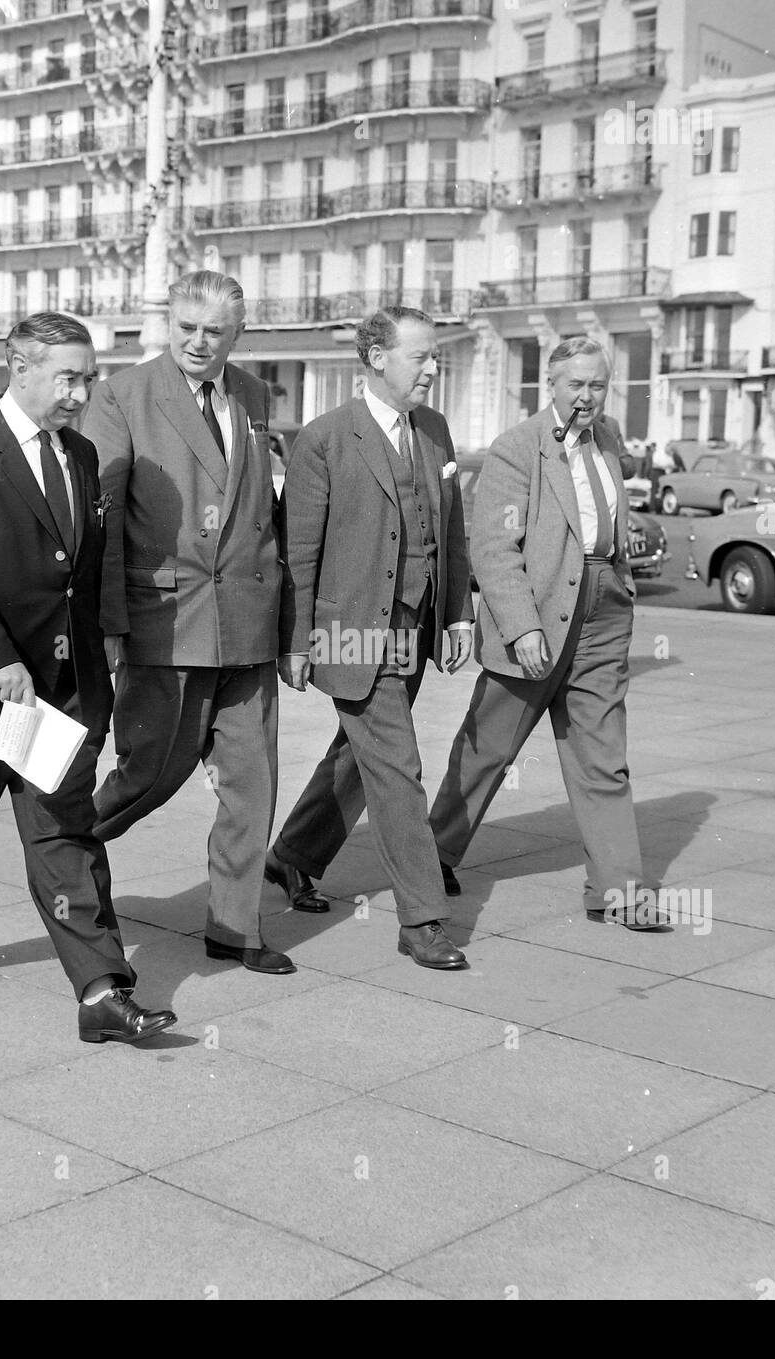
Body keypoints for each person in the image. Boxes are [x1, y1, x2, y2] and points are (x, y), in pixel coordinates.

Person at [0, 312, 176, 1045]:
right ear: (20, 365)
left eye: (88, 377)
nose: (82, 393)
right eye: (68, 377)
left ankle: (102, 991)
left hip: (61, 689)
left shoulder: (79, 454)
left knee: (65, 834)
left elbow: (78, 573)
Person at [81, 270, 292, 974]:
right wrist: (109, 621)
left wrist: (291, 629)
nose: (200, 344)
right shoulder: (122, 396)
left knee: (251, 781)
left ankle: (236, 927)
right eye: (188, 328)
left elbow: (267, 517)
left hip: (249, 623)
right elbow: (101, 519)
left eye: (216, 332)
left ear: (238, 334)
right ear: (169, 324)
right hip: (166, 623)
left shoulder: (256, 396)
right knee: (151, 775)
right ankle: (65, 852)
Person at [429, 335, 663, 929]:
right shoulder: (516, 449)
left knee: (603, 757)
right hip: (536, 612)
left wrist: (621, 587)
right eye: (575, 385)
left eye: (598, 385)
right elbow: (494, 549)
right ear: (551, 386)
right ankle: (431, 857)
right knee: (489, 748)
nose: (587, 396)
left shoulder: (609, 440)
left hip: (603, 609)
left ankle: (619, 894)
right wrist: (522, 627)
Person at [272, 305, 474, 969]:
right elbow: (299, 550)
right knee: (397, 766)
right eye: (421, 356)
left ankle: (293, 857)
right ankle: (421, 920)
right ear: (377, 357)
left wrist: (455, 616)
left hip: (414, 626)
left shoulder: (436, 432)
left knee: (359, 755)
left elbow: (450, 533)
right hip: (349, 631)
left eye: (434, 356)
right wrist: (296, 642)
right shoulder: (325, 438)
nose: (432, 369)